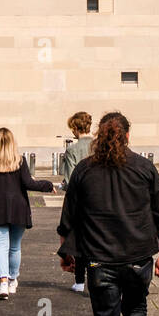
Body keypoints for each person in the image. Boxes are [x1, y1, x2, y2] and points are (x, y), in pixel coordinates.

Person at [57, 111, 159, 316]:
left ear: (99, 136)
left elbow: (68, 217)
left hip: (99, 260)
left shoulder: (83, 170)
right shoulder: (145, 168)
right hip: (137, 258)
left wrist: (67, 254)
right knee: (135, 313)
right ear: (128, 136)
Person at [0, 127, 54, 299]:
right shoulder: (19, 161)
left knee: (0, 246)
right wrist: (48, 185)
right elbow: (28, 183)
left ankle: (3, 282)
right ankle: (13, 279)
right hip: (18, 207)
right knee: (14, 246)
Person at [60, 111, 93, 293]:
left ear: (74, 128)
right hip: (99, 197)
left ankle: (80, 280)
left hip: (79, 201)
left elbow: (70, 179)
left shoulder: (72, 150)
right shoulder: (98, 146)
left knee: (79, 240)